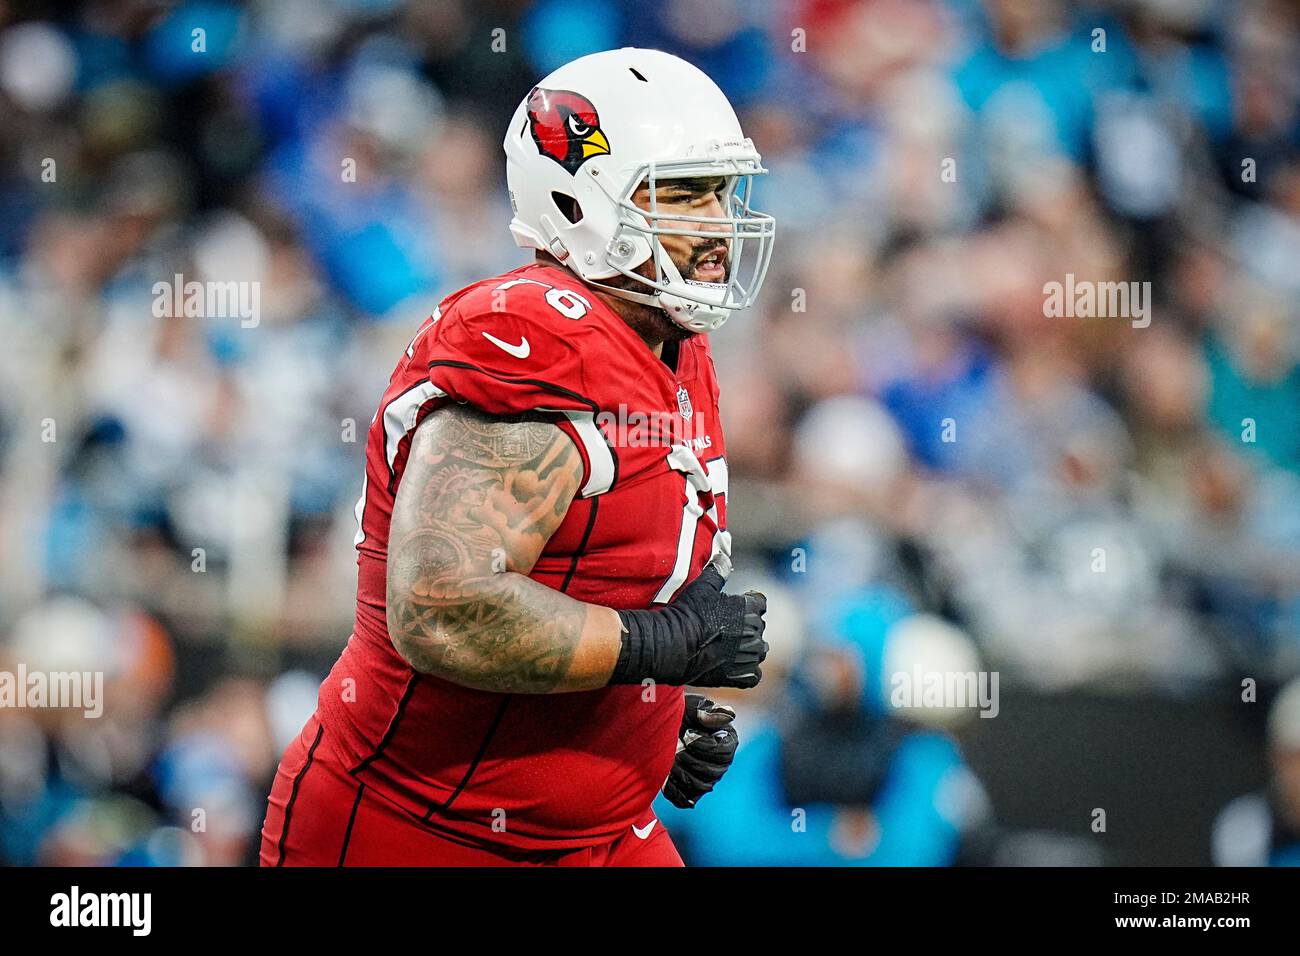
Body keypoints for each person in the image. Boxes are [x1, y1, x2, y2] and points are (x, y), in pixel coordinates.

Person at [259, 48, 775, 866]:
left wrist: (647, 716)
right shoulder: (539, 342)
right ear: (581, 201)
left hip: (600, 831)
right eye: (682, 194)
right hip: (426, 828)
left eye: (720, 192)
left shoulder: (672, 342)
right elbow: (443, 609)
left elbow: (601, 565)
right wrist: (658, 650)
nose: (716, 224)